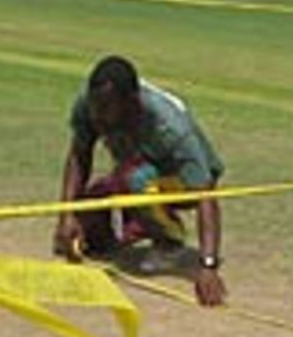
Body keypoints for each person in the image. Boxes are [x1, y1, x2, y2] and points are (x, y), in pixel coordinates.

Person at [54, 56, 227, 308]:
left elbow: (205, 194)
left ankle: (169, 242)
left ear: (131, 102)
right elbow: (79, 155)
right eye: (95, 106)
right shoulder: (90, 104)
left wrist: (208, 266)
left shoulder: (169, 125)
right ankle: (127, 231)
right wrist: (67, 216)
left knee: (136, 179)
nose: (97, 115)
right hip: (138, 168)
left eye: (106, 108)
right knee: (92, 211)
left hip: (186, 181)